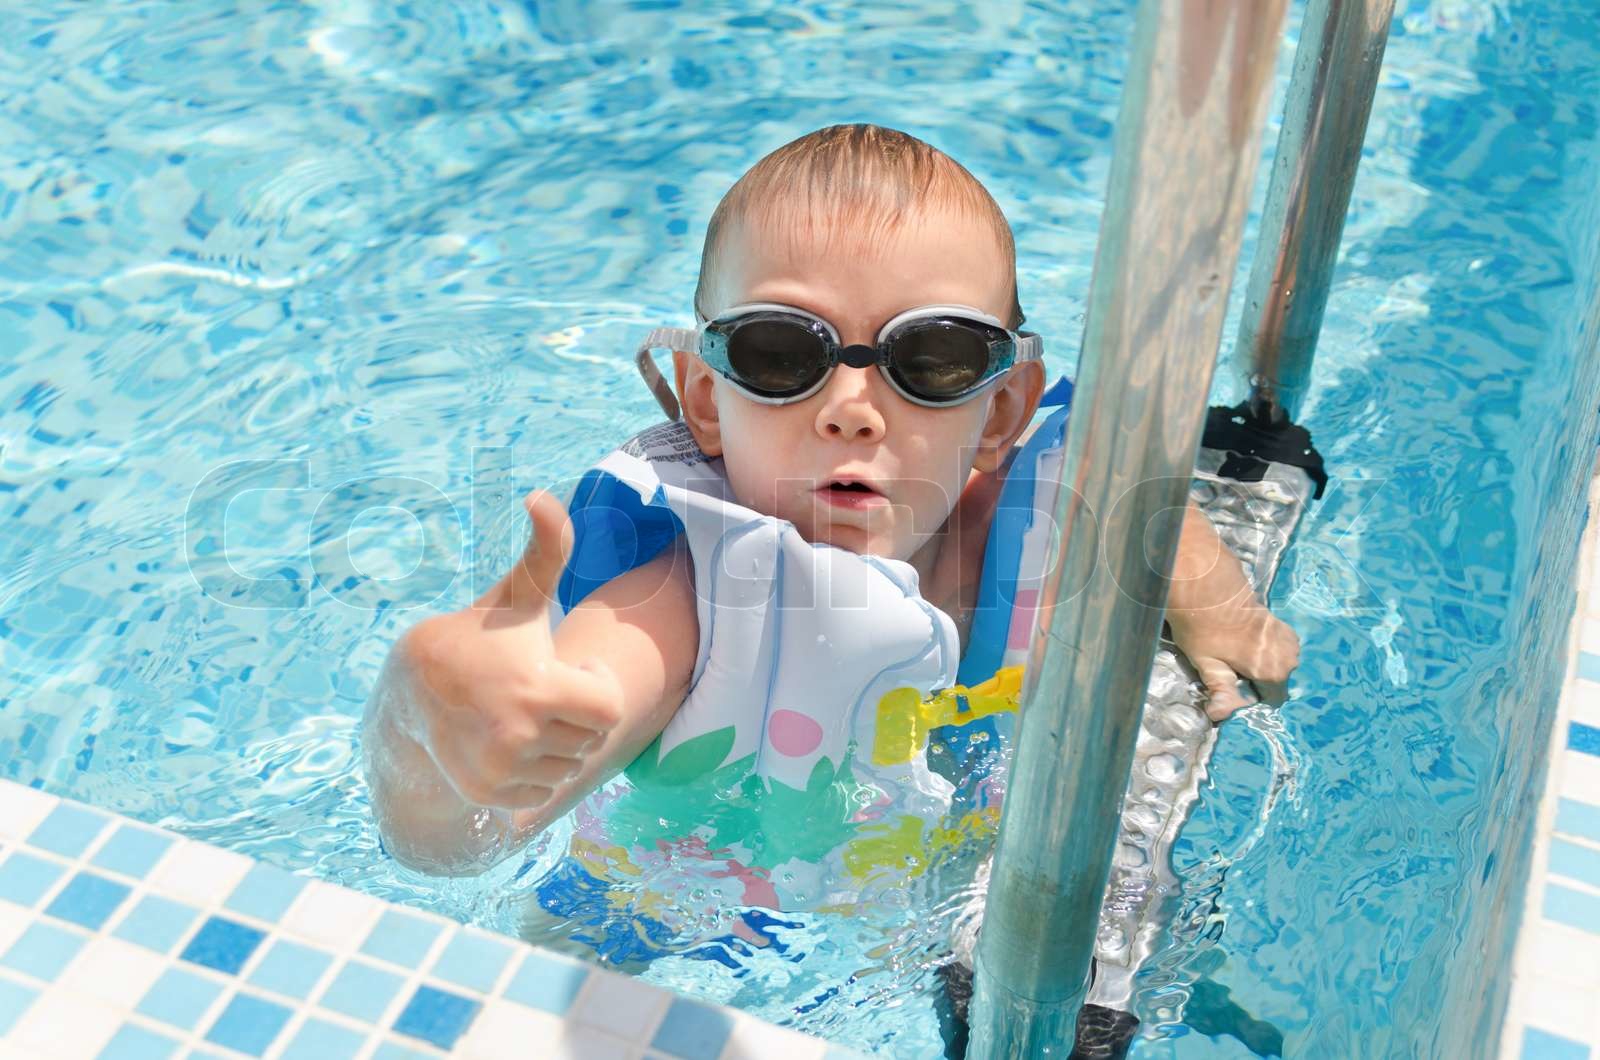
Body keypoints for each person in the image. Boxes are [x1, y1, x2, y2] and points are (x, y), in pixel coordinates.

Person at [363, 124, 1299, 886]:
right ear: (704, 401)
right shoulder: (678, 591)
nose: (852, 409)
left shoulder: (1045, 493)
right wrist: (428, 727)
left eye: (933, 360)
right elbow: (456, 843)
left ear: (1000, 409)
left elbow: (1132, 489)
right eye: (781, 354)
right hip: (694, 891)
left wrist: (1216, 601)